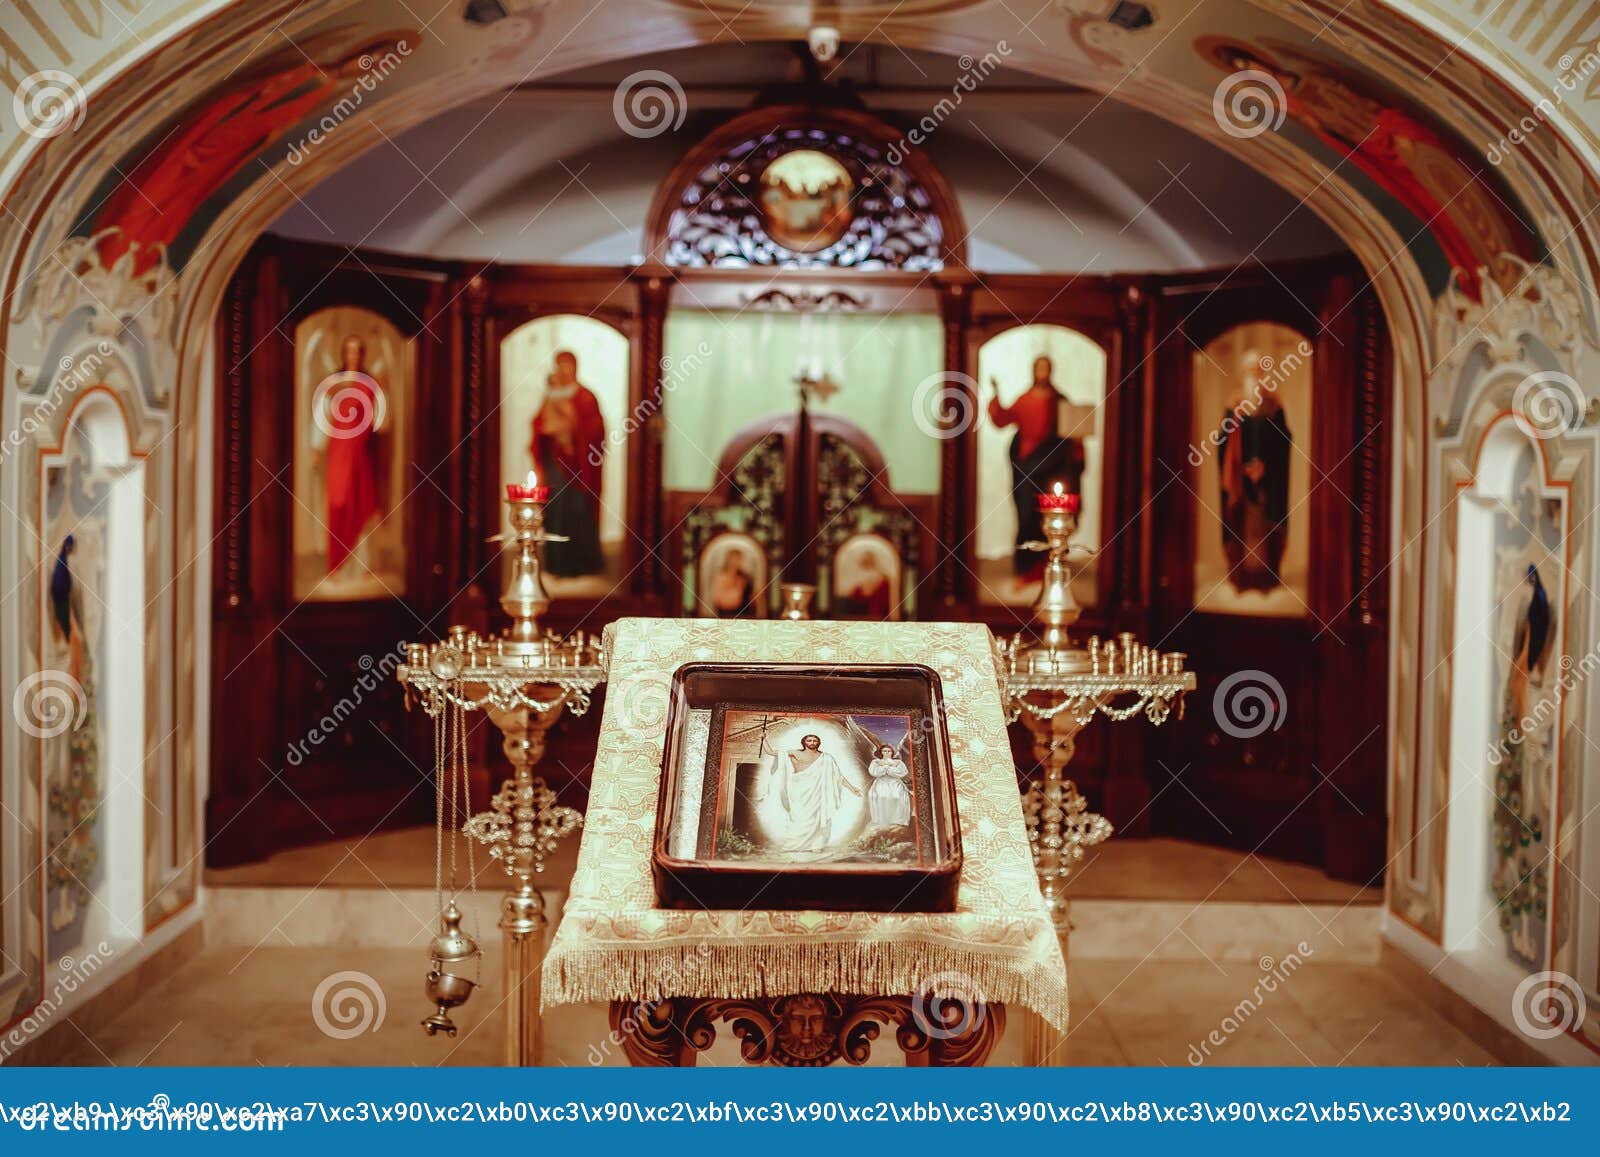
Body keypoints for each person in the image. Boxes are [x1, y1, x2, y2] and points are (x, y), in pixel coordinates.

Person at [987, 356, 1087, 584]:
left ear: (1050, 371)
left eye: (1046, 369)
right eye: (1039, 368)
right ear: (1034, 371)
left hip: (1051, 470)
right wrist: (995, 396)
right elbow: (1003, 418)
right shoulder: (1026, 399)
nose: (1042, 373)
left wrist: (1078, 450)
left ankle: (1049, 568)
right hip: (1026, 468)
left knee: (1049, 517)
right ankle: (1026, 569)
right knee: (1026, 516)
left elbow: (1072, 433)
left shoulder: (1060, 400)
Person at [1217, 349, 1292, 593]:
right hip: (1240, 477)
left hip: (1268, 478)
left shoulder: (1273, 402)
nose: (1255, 374)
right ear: (1244, 373)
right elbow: (1222, 440)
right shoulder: (1234, 402)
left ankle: (1265, 580)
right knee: (1240, 523)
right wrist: (1240, 463)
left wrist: (1265, 464)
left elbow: (1285, 439)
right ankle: (1242, 578)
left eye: (1259, 369)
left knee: (1265, 524)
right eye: (1251, 369)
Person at [315, 335, 385, 578]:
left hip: (361, 449)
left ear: (361, 354)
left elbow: (381, 422)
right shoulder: (334, 383)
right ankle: (338, 565)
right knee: (338, 501)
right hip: (338, 448)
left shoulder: (369, 383)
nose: (352, 355)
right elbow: (322, 414)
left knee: (360, 500)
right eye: (349, 351)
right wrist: (316, 446)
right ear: (343, 354)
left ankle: (362, 566)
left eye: (357, 351)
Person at [530, 350, 606, 577]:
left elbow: (594, 430)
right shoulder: (550, 395)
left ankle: (581, 564)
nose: (563, 371)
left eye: (567, 366)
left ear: (574, 367)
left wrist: (573, 429)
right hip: (555, 461)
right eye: (559, 365)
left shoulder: (585, 397)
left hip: (579, 466)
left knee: (576, 509)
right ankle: (558, 564)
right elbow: (539, 424)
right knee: (555, 508)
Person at [770, 734, 860, 854]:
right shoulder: (794, 753)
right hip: (799, 790)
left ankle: (817, 844)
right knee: (800, 816)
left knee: (819, 817)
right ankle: (795, 844)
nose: (812, 742)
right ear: (804, 742)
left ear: (818, 743)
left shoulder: (826, 758)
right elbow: (771, 752)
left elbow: (838, 776)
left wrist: (852, 788)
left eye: (815, 741)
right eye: (809, 740)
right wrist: (764, 739)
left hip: (819, 792)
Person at [866, 744, 911, 828]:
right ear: (881, 752)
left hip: (895, 783)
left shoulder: (898, 762)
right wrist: (886, 767)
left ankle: (897, 820)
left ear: (892, 753)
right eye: (884, 751)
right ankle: (882, 820)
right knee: (880, 796)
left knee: (896, 797)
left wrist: (888, 768)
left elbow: (902, 772)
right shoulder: (875, 762)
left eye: (888, 751)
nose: (886, 753)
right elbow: (874, 772)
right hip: (881, 783)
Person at [709, 550, 755, 617]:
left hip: (743, 613)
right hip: (724, 612)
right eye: (733, 559)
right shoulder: (720, 576)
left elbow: (751, 598)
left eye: (738, 560)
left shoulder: (745, 577)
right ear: (728, 560)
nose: (735, 562)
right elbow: (718, 598)